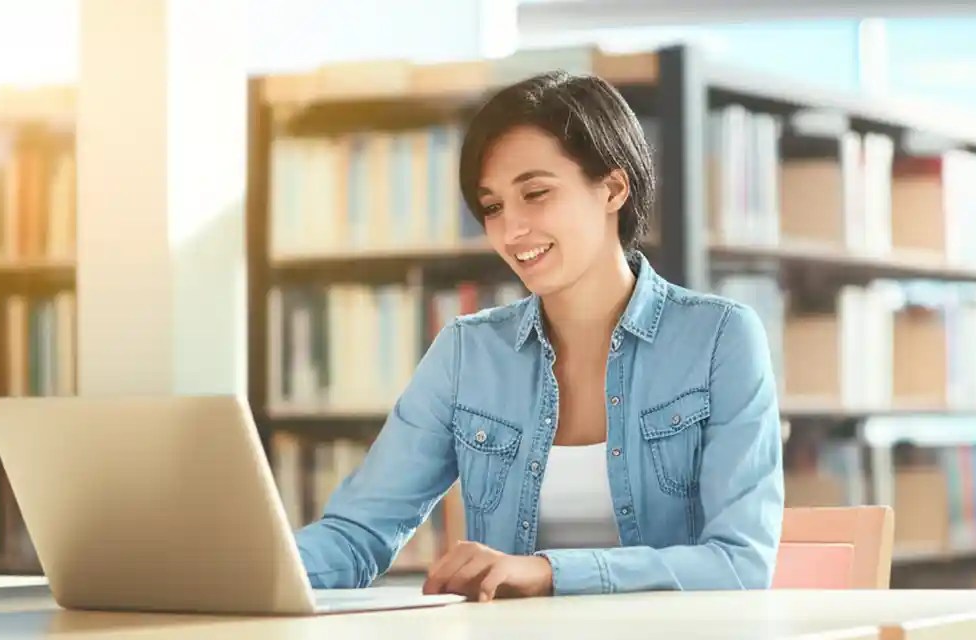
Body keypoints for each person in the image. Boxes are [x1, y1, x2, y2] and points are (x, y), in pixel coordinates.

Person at [294, 70, 784, 601]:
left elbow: (740, 564)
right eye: (493, 207)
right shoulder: (467, 353)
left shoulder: (720, 338)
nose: (511, 231)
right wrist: (242, 572)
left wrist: (551, 572)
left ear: (613, 188)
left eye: (536, 194)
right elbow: (356, 535)